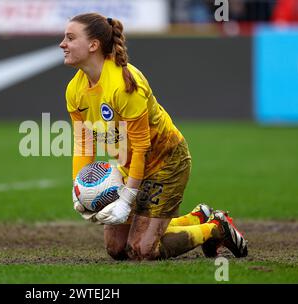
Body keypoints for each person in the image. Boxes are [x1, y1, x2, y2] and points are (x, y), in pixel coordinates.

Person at [59, 12, 248, 260]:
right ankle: (196, 217)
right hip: (131, 165)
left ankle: (216, 228)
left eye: (70, 38)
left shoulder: (124, 85)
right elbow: (83, 143)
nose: (62, 44)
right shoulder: (75, 89)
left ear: (93, 45)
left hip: (166, 162)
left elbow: (141, 147)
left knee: (141, 250)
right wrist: (78, 189)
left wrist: (127, 199)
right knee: (116, 249)